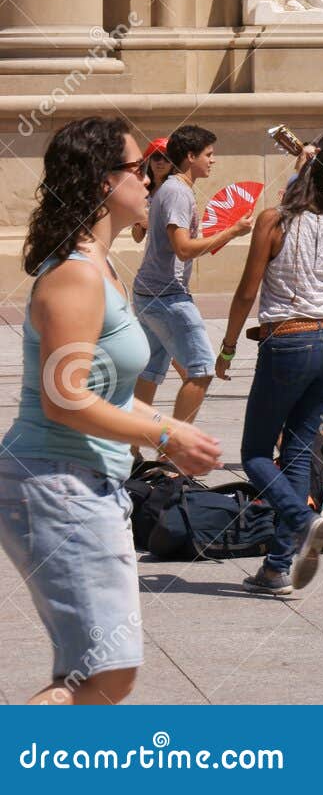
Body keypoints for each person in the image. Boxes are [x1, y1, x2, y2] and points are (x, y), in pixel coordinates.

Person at [0, 119, 221, 704]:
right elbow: (65, 397)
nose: (153, 177)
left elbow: (103, 389)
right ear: (103, 182)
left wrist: (165, 427)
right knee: (101, 673)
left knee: (101, 673)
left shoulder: (101, 266)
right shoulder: (75, 275)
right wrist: (164, 434)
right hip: (56, 484)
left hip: (82, 482)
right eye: (139, 168)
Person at [215, 139, 323, 594]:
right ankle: (277, 566)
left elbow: (246, 289)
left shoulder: (274, 221)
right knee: (298, 451)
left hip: (289, 340)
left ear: (309, 176)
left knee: (257, 452)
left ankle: (301, 520)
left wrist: (228, 344)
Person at [131, 124, 251, 426]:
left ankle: (130, 447)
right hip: (168, 297)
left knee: (150, 372)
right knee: (200, 371)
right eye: (208, 154)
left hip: (150, 293)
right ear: (190, 156)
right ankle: (174, 454)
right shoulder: (177, 192)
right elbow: (183, 249)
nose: (213, 160)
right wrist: (232, 232)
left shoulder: (172, 188)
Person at [129, 137, 172, 244]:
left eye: (167, 158)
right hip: (152, 252)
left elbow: (180, 231)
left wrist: (151, 223)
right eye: (157, 157)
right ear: (149, 160)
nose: (161, 162)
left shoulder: (176, 190)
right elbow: (137, 238)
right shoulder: (143, 190)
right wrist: (138, 221)